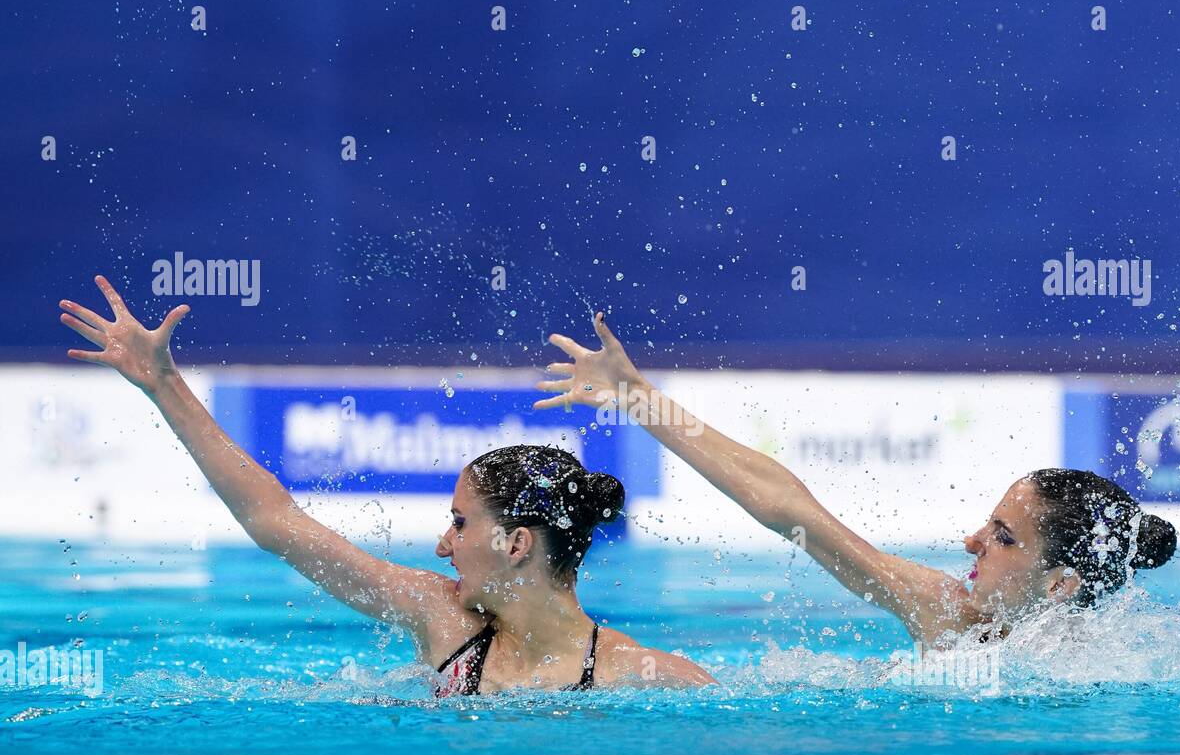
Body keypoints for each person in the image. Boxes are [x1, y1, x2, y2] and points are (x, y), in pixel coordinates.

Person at [59, 277, 716, 694]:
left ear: (518, 543)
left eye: (460, 524)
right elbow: (276, 524)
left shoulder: (640, 678)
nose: (441, 545)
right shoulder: (443, 619)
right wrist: (164, 386)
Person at [536, 312, 1178, 647]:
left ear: (1062, 584)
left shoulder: (1116, 669)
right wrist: (641, 398)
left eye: (1003, 537)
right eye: (987, 522)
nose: (970, 540)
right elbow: (792, 511)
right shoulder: (943, 612)